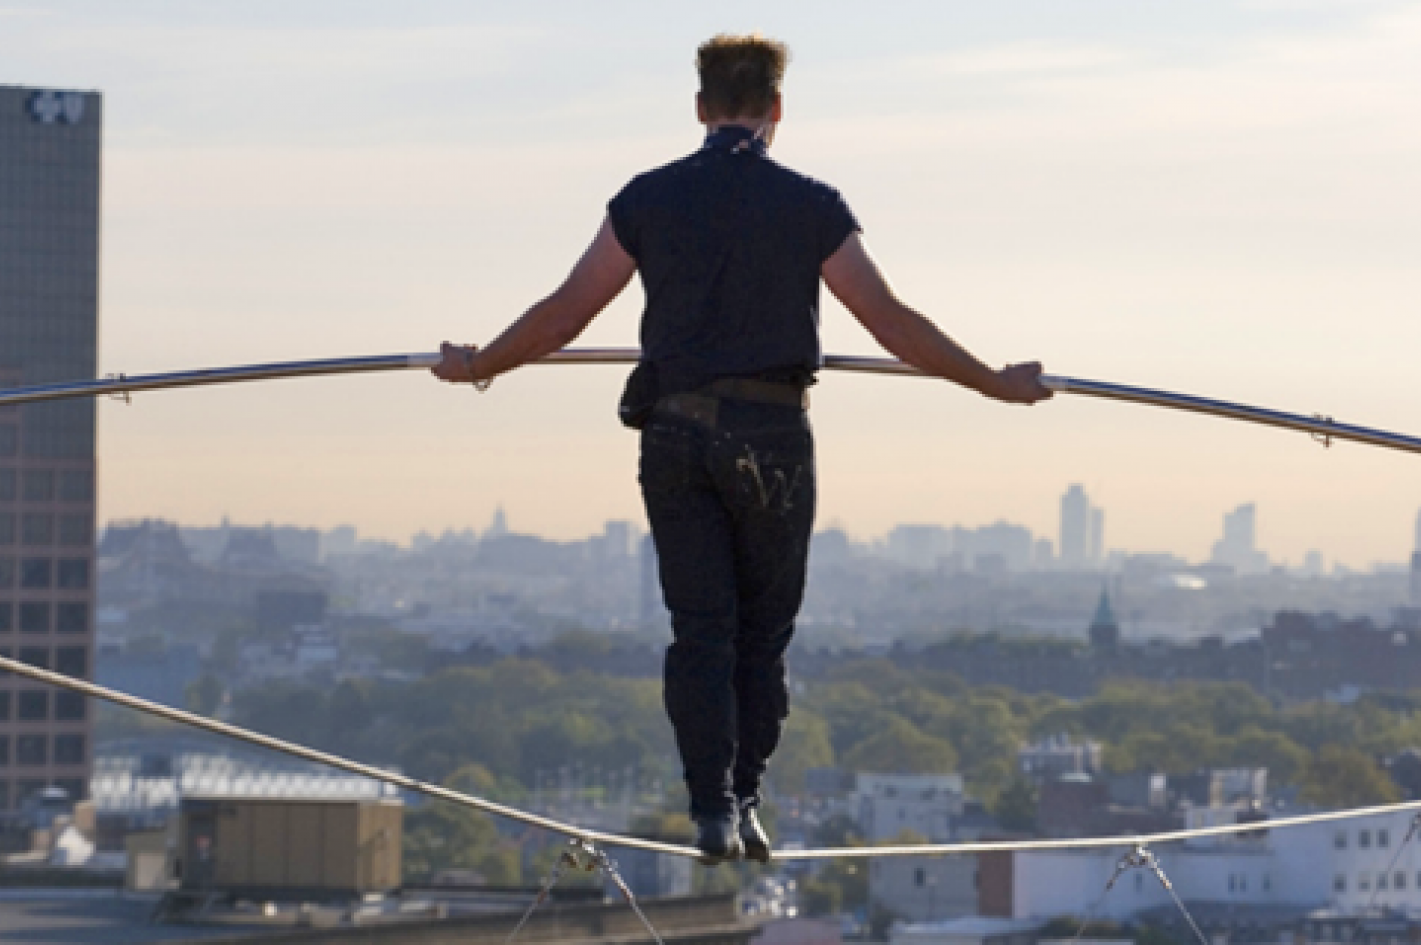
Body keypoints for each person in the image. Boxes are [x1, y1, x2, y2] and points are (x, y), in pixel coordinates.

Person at [430, 34, 1051, 864]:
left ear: (700, 108)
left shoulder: (647, 200)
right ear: (776, 108)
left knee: (701, 632)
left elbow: (565, 313)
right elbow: (891, 322)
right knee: (762, 637)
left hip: (677, 433)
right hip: (772, 437)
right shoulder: (811, 205)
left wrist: (478, 365)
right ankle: (748, 795)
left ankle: (711, 810)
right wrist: (992, 382)